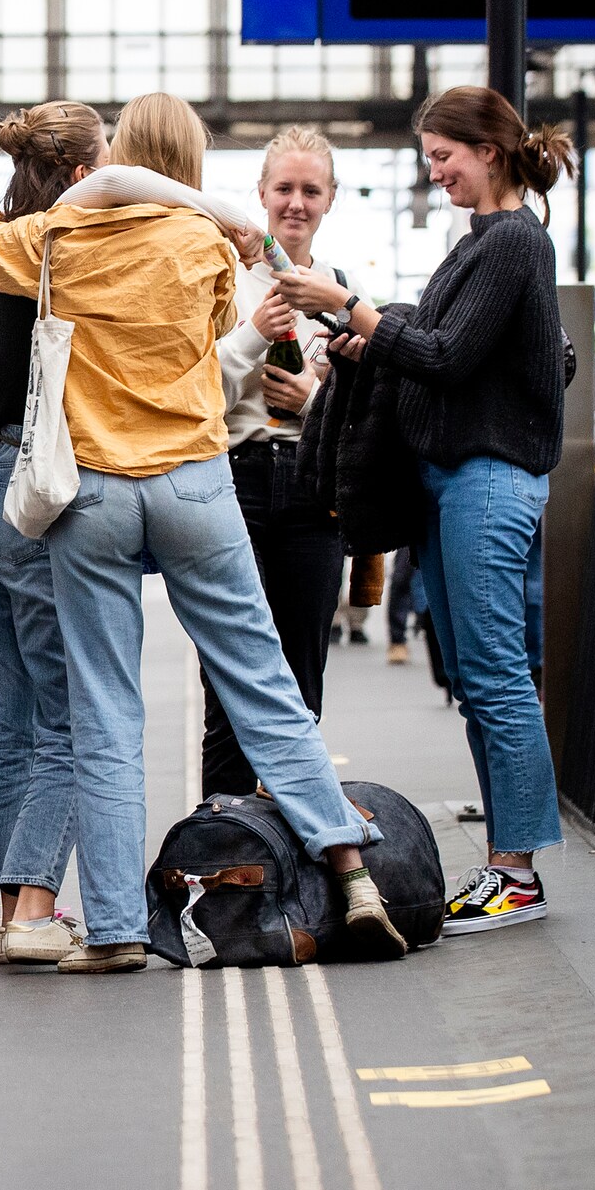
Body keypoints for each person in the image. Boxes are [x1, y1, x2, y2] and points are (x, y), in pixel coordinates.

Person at [0, 92, 404, 973]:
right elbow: (223, 317)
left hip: (95, 494)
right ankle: (350, 872)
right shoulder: (203, 243)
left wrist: (84, 198)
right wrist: (198, 209)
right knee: (266, 684)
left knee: (107, 709)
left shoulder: (54, 241)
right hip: (197, 481)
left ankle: (116, 929)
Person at [277, 86, 576, 933]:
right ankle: (507, 863)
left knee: (495, 677)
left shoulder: (515, 241)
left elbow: (444, 355)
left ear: (488, 149)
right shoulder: (487, 244)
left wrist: (346, 307)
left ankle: (517, 870)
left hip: (488, 479)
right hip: (460, 479)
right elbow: (458, 352)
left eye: (444, 155)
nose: (435, 171)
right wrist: (375, 338)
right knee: (479, 680)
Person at [0, 102, 100, 967]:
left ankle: (15, 910)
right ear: (84, 175)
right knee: (75, 717)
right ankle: (37, 906)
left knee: (14, 714)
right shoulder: (65, 252)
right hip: (33, 498)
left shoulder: (4, 243)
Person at [200, 126, 348, 796]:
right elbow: (192, 388)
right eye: (284, 188)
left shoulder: (340, 290)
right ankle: (223, 856)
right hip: (235, 478)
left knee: (303, 678)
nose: (296, 202)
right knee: (230, 682)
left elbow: (357, 406)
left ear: (330, 199)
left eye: (310, 189)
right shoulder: (225, 280)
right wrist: (248, 356)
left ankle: (296, 849)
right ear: (260, 194)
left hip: (313, 491)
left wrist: (314, 397)